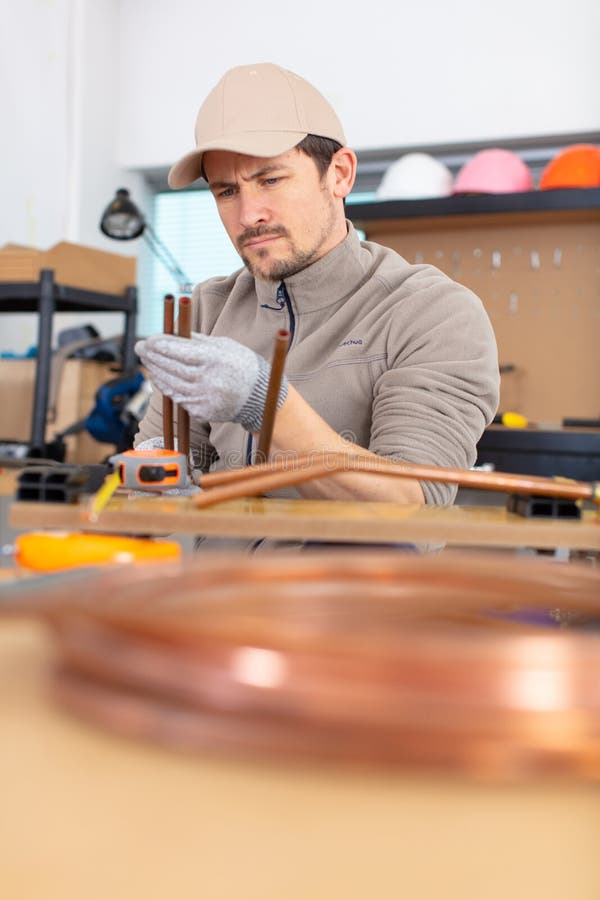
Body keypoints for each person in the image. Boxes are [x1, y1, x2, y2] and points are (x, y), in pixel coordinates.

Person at [135, 62, 499, 508]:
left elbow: (410, 508)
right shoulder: (208, 310)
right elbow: (155, 489)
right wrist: (150, 476)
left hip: (340, 580)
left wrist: (264, 402)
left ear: (340, 174)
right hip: (213, 579)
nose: (249, 215)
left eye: (270, 179)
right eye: (226, 191)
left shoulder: (432, 313)